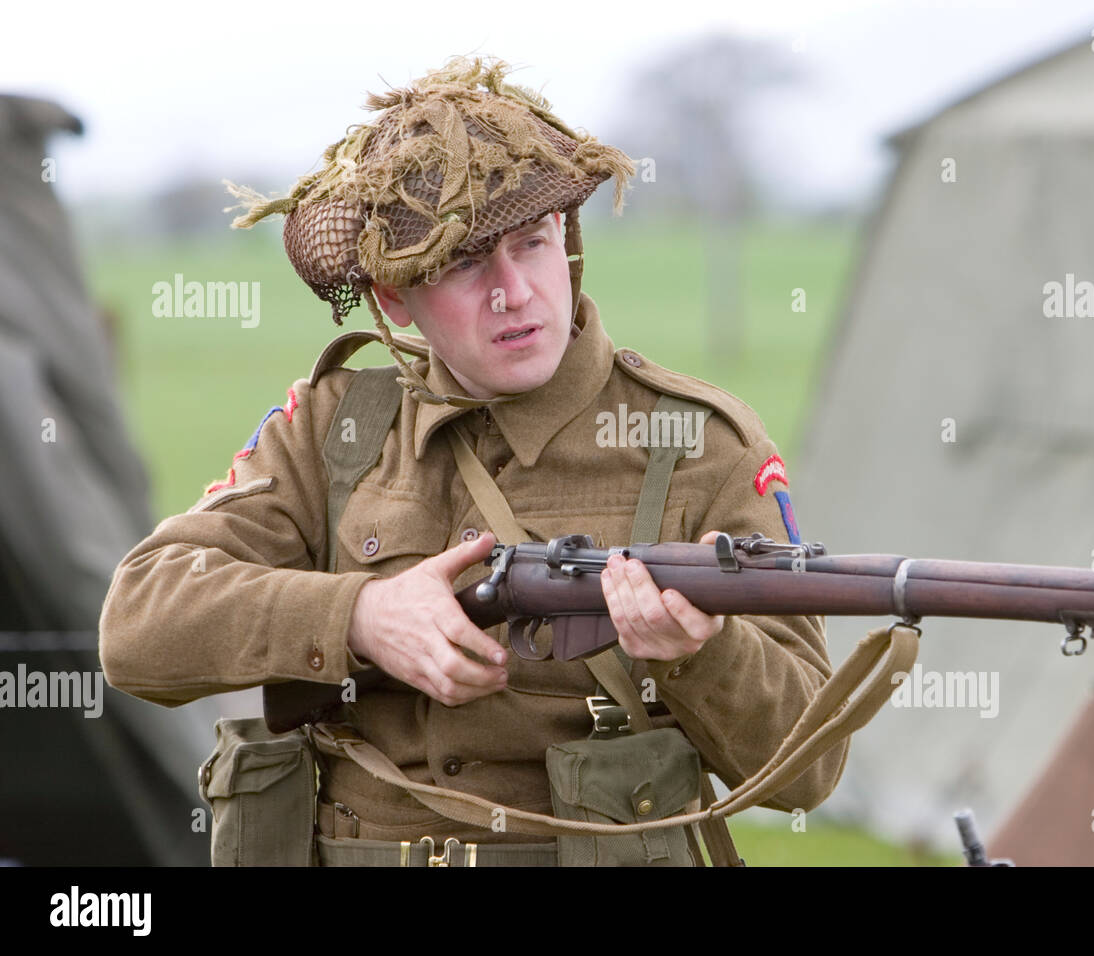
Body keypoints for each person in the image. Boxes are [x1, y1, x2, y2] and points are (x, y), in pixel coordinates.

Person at [98, 55, 846, 865]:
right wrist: (358, 618)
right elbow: (139, 624)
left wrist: (705, 652)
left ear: (567, 244)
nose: (514, 291)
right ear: (394, 297)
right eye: (464, 264)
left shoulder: (700, 444)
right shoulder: (333, 428)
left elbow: (811, 767)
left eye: (531, 244)